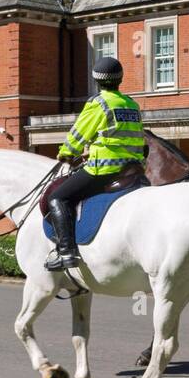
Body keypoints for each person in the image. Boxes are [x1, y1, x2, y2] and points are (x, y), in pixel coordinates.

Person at [47, 56, 145, 271]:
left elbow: (78, 134)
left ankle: (67, 252)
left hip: (105, 169)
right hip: (133, 168)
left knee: (58, 197)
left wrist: (65, 153)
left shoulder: (98, 103)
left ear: (96, 81)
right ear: (120, 80)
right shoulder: (131, 103)